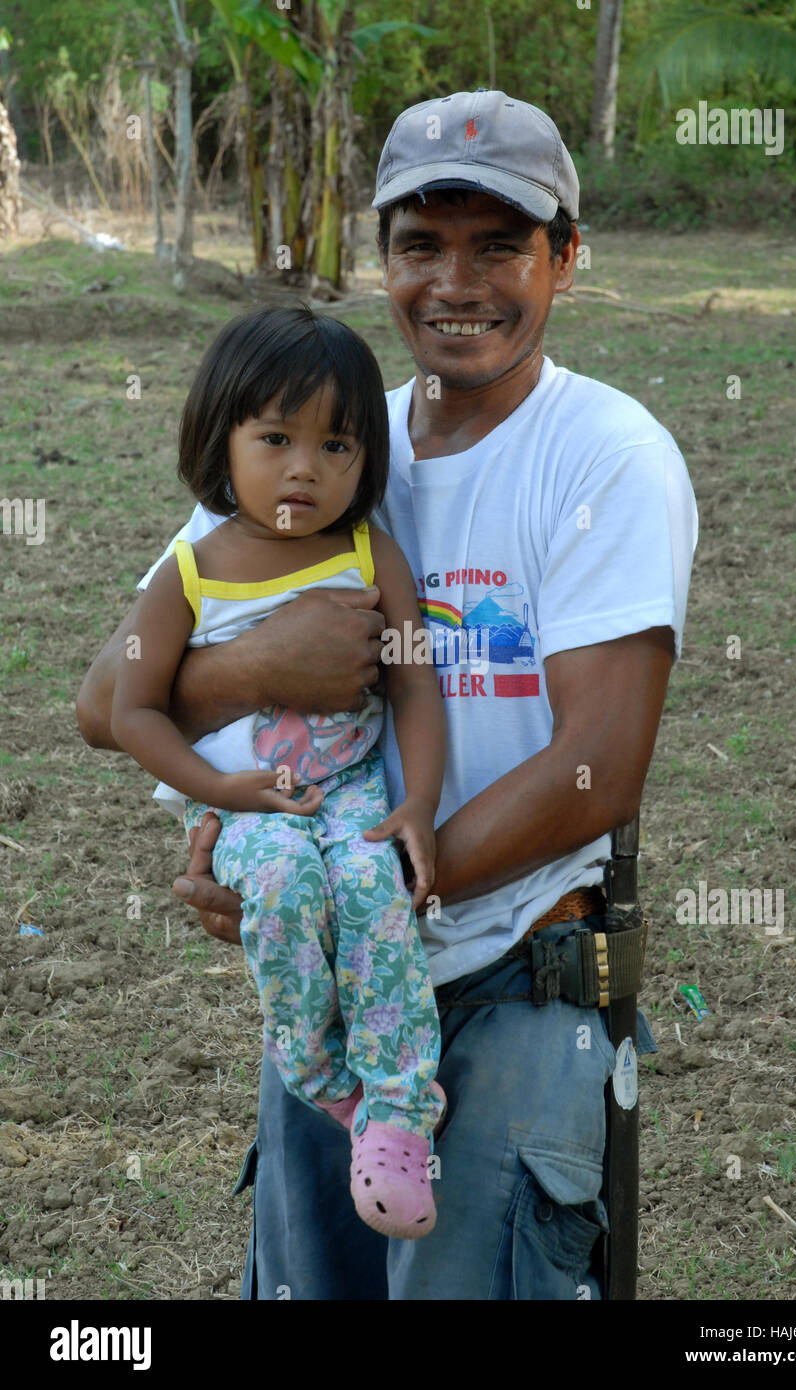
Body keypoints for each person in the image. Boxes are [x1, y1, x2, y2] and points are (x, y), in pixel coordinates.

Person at [77, 89, 698, 1300]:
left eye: (501, 245)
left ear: (566, 258)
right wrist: (259, 679)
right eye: (422, 245)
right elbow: (106, 701)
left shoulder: (606, 460)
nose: (456, 282)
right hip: (331, 987)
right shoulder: (323, 434)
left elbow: (599, 765)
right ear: (383, 260)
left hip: (513, 983)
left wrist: (364, 893)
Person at [108, 304, 447, 1240]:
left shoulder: (370, 552)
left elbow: (414, 681)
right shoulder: (190, 571)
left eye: (337, 445)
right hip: (249, 811)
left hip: (350, 791)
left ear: (367, 462)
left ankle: (400, 1112)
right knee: (289, 893)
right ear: (221, 440)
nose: (306, 467)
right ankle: (325, 1083)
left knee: (378, 891)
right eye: (275, 438)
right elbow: (124, 708)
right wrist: (217, 795)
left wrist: (417, 800)